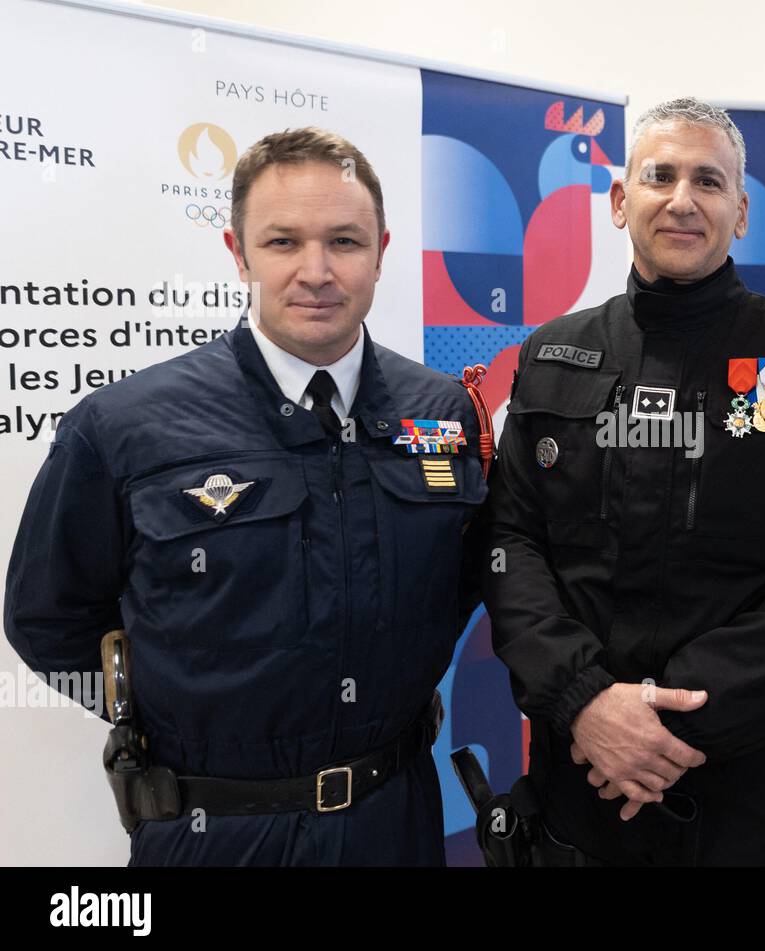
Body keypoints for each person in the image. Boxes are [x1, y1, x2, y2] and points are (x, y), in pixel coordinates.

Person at [4, 127, 488, 865]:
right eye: (284, 242)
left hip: (394, 819)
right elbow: (48, 618)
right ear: (239, 255)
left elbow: (454, 585)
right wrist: (181, 709)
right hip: (215, 832)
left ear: (383, 252)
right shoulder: (126, 426)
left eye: (346, 242)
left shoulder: (442, 411)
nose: (317, 271)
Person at [480, 97, 765, 865]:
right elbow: (511, 543)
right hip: (581, 770)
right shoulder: (551, 353)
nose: (681, 200)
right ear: (617, 200)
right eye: (659, 176)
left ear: (741, 212)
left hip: (744, 780)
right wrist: (585, 701)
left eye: (708, 182)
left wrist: (677, 715)